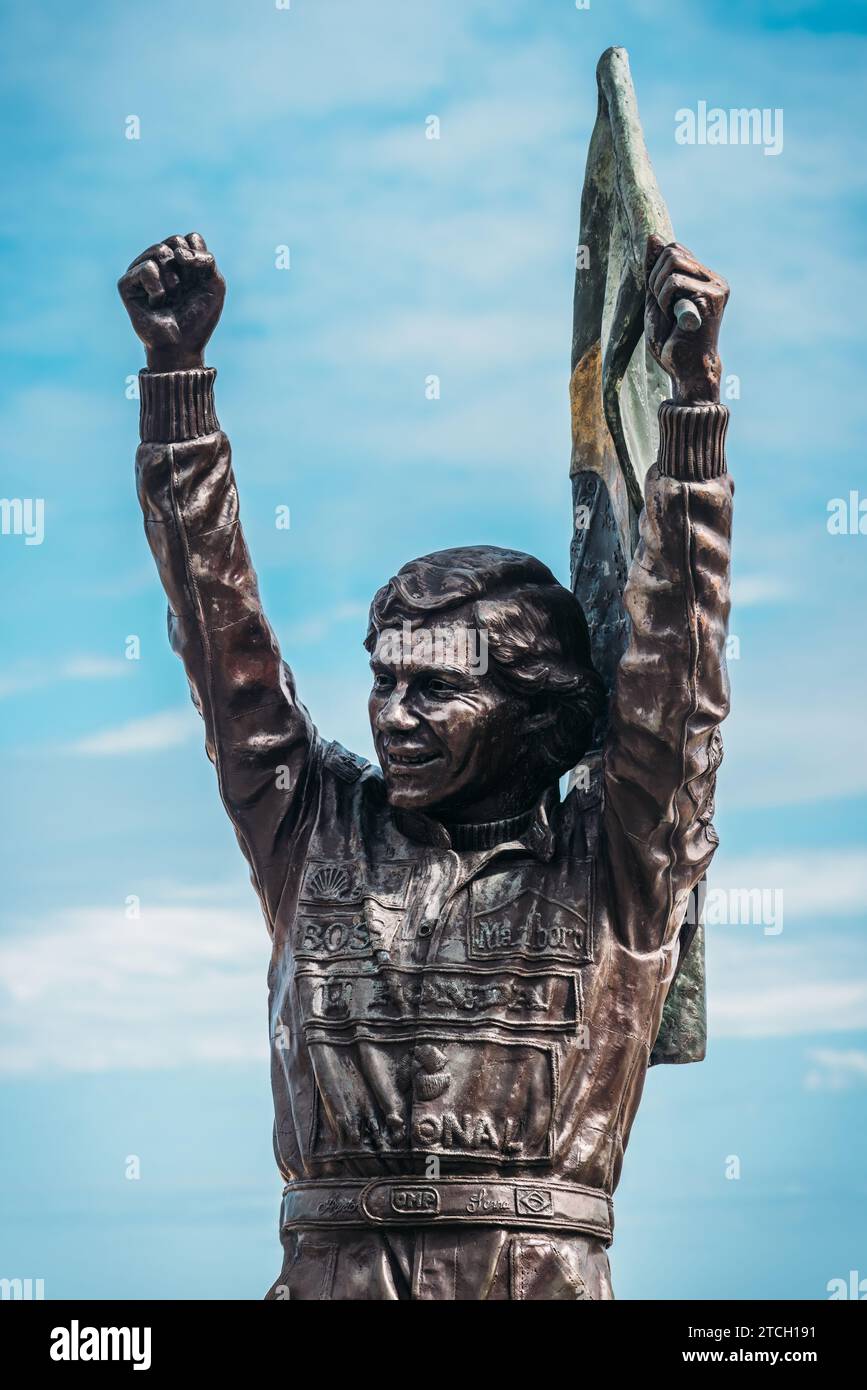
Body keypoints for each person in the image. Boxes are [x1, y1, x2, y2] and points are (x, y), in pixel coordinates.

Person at [119, 231, 731, 1299]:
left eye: (435, 689)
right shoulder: (314, 829)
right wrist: (178, 387)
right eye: (383, 681)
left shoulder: (618, 857)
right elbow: (225, 645)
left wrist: (692, 416)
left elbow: (677, 668)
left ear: (529, 708)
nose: (393, 716)